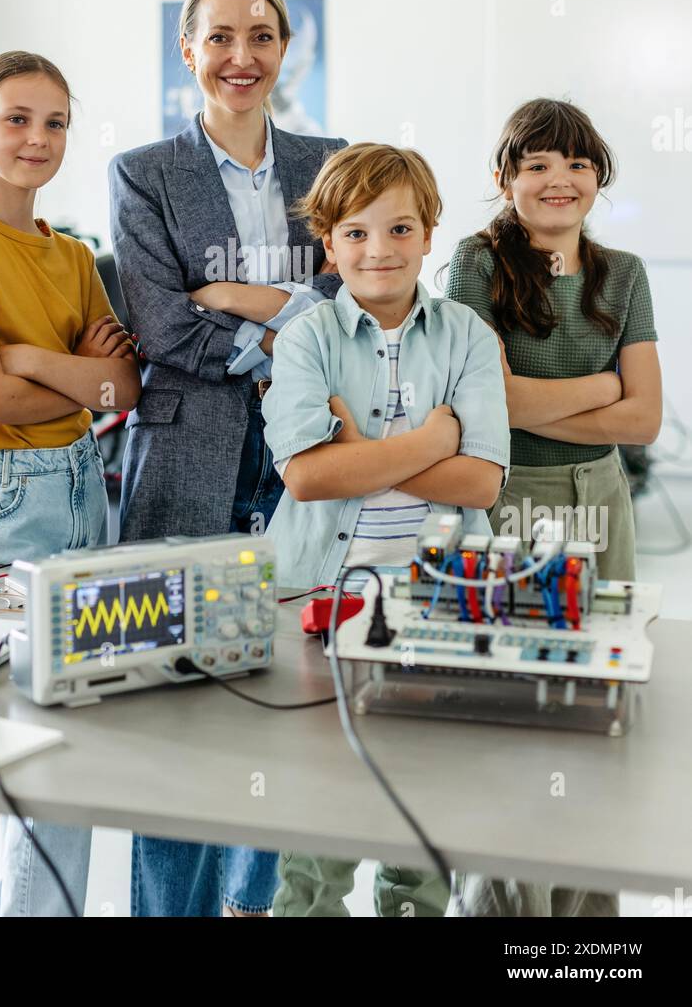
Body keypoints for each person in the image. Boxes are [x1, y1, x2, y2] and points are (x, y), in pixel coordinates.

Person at [108, 0, 346, 916]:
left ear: (284, 49)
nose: (240, 57)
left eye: (260, 37)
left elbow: (358, 291)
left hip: (306, 466)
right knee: (178, 710)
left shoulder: (331, 164)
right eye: (220, 38)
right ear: (188, 50)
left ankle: (256, 906)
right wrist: (293, 332)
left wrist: (244, 307)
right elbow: (161, 325)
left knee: (283, 703)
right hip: (185, 461)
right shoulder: (142, 173)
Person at [0, 50, 140, 916]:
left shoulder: (78, 256)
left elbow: (126, 391)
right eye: (16, 118)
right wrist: (78, 376)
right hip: (6, 498)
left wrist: (34, 359)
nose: (37, 139)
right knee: (35, 755)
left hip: (87, 493)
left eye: (54, 123)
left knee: (62, 752)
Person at [260, 141, 510, 916]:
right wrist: (432, 442)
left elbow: (483, 480)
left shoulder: (465, 333)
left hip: (434, 605)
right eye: (358, 233)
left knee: (420, 819)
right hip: (319, 596)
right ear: (329, 244)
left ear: (430, 235)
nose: (380, 250)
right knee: (317, 827)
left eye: (401, 229)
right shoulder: (307, 338)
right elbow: (305, 475)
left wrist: (363, 454)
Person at [445, 96, 662, 917]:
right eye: (535, 164)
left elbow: (643, 420)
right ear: (505, 180)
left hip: (603, 498)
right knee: (517, 712)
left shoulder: (625, 274)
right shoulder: (475, 265)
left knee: (602, 710)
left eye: (575, 163)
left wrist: (542, 398)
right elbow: (485, 403)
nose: (557, 180)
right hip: (512, 500)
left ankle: (585, 936)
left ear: (597, 178)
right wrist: (605, 382)